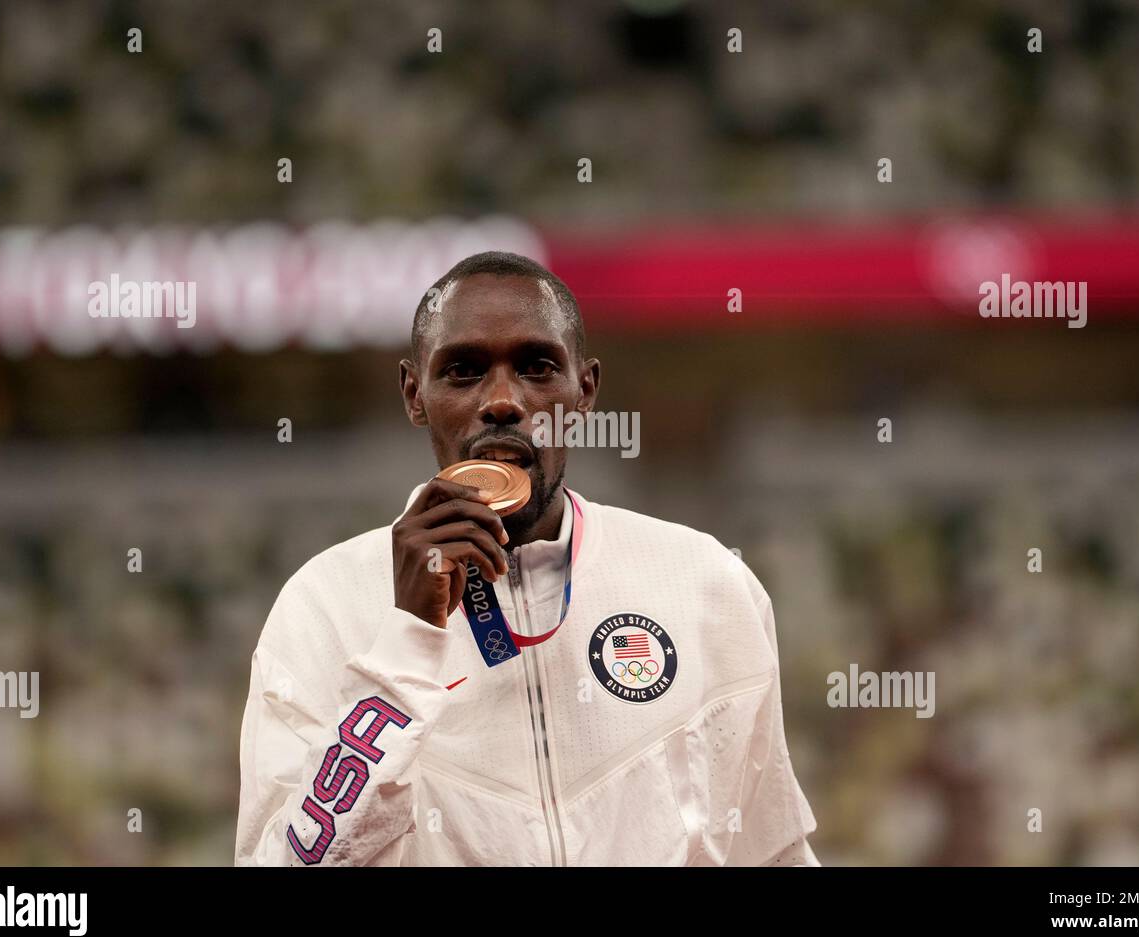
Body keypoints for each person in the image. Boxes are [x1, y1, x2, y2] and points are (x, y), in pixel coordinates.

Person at [234, 251, 820, 865]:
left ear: (584, 390)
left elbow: (771, 848)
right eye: (463, 371)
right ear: (415, 395)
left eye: (537, 367)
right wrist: (406, 639)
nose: (504, 401)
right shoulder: (323, 606)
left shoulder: (705, 584)